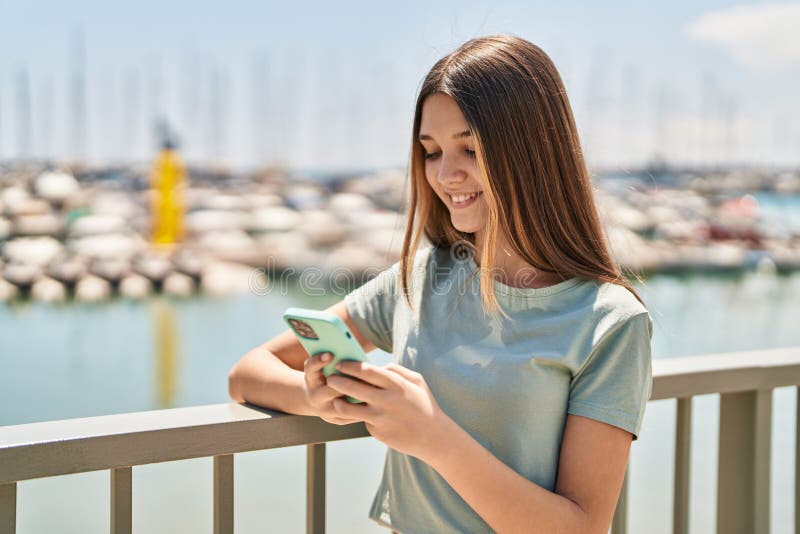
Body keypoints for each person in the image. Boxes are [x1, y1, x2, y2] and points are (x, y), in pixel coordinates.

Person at [228, 34, 653, 534]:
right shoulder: (425, 276)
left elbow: (582, 527)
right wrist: (315, 398)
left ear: (533, 152)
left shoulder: (611, 322)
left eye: (469, 149)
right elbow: (248, 374)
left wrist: (431, 436)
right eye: (430, 152)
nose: (446, 174)